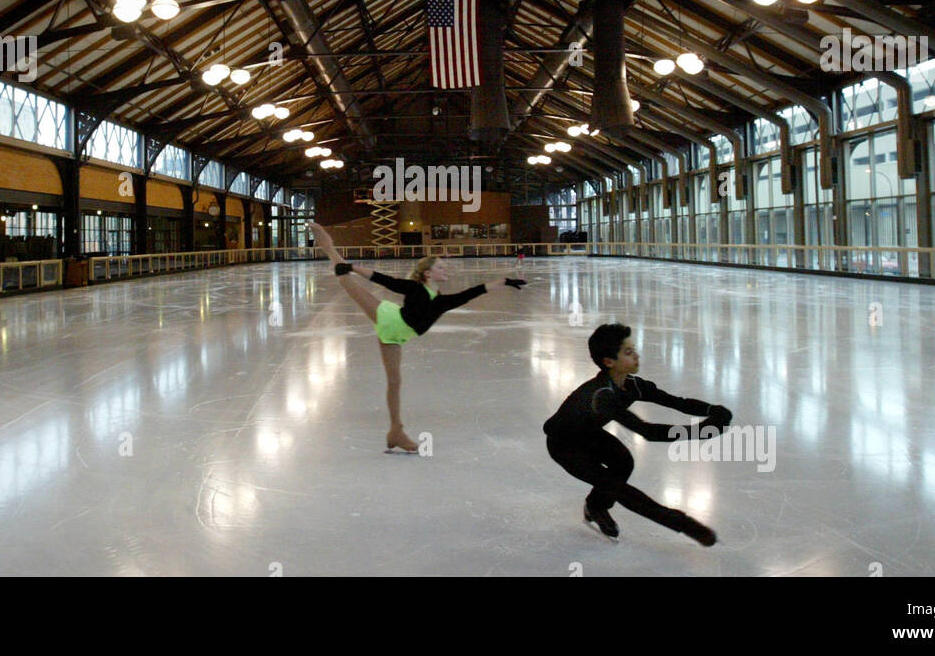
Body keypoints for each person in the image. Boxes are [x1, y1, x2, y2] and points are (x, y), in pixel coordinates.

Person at [309, 222, 527, 452]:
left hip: (396, 337)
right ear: (428, 273)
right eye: (441, 268)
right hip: (388, 319)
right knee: (345, 279)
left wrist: (504, 282)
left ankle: (395, 431)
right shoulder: (415, 289)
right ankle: (326, 244)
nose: (446, 271)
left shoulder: (441, 302)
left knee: (395, 382)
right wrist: (351, 267)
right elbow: (385, 280)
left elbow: (472, 293)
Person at [543, 323, 732, 545]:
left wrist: (712, 411)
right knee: (619, 489)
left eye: (634, 349)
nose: (636, 356)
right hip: (564, 444)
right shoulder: (602, 396)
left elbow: (676, 402)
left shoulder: (633, 385)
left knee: (623, 461)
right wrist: (700, 432)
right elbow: (647, 431)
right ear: (609, 362)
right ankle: (684, 524)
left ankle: (595, 506)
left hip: (588, 433)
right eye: (628, 352)